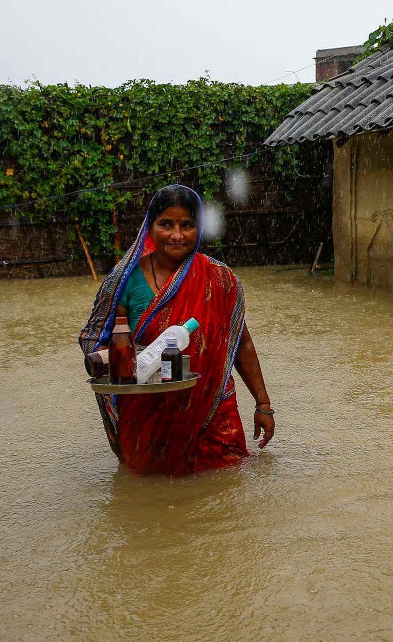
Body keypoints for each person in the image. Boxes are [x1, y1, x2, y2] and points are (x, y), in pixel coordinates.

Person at [79, 184, 275, 475]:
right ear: (150, 226)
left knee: (226, 485)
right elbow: (101, 342)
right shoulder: (125, 281)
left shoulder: (220, 279)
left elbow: (241, 344)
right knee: (149, 491)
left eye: (187, 225)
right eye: (166, 224)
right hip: (149, 414)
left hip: (213, 410)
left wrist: (263, 404)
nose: (176, 235)